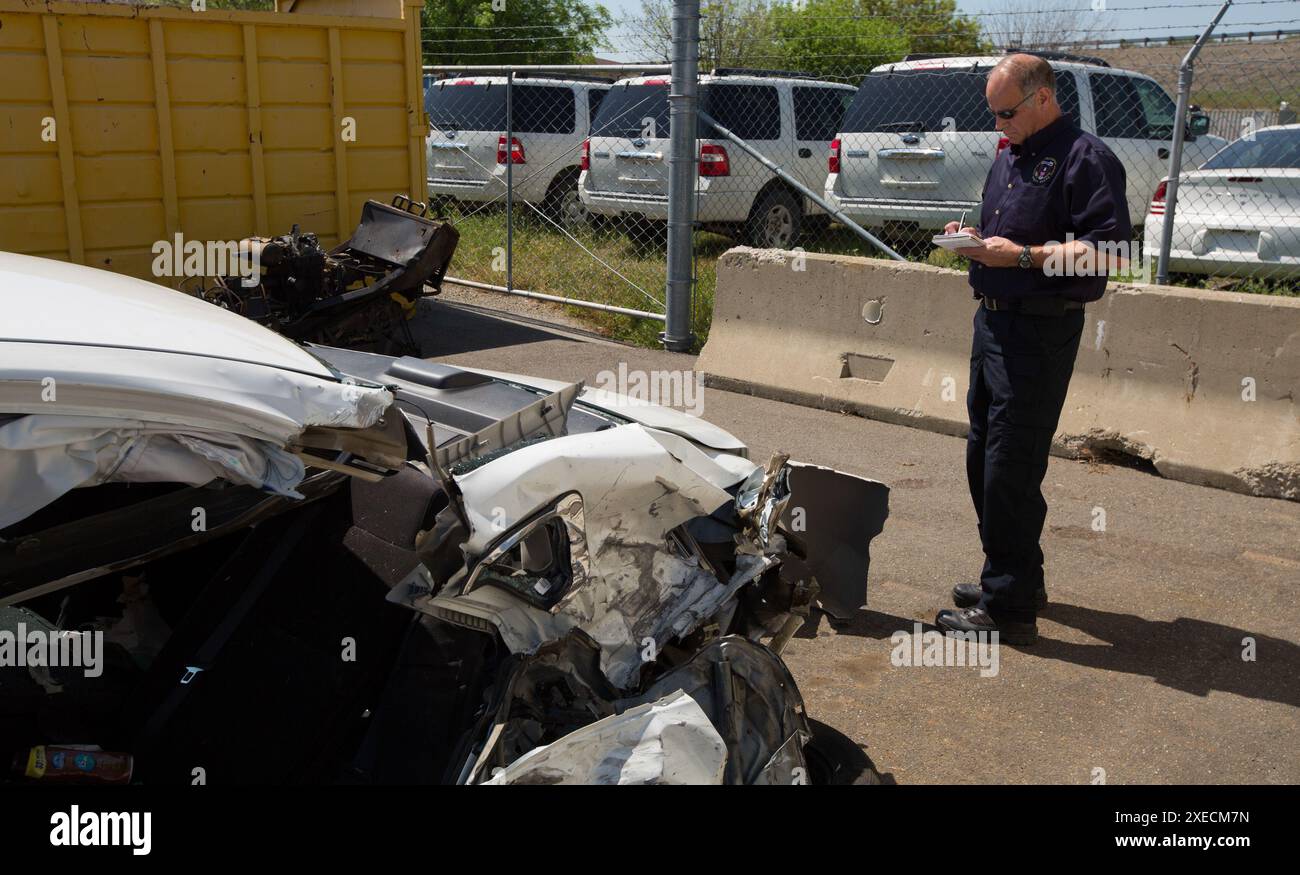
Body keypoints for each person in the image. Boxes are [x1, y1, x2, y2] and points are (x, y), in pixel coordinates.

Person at [936, 54, 1133, 645]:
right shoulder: (1011, 154)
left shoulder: (1085, 158)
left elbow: (1111, 253)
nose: (999, 124)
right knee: (983, 458)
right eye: (993, 114)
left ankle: (1007, 609)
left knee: (1010, 468)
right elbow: (1008, 233)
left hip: (1039, 330)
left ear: (1043, 97)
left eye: (1006, 112)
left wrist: (1021, 257)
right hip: (992, 324)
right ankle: (1017, 576)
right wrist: (972, 244)